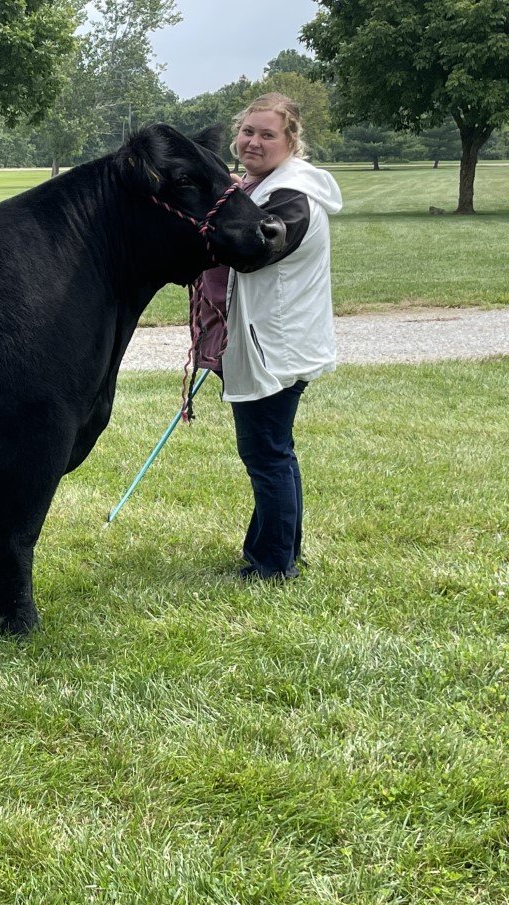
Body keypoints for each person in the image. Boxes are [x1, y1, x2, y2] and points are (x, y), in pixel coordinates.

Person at [192, 93, 343, 580]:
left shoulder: (292, 196)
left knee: (267, 452)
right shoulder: (265, 187)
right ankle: (276, 550)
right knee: (273, 449)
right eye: (248, 132)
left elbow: (255, 247)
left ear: (291, 140)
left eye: (267, 134)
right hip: (275, 339)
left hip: (274, 345)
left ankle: (274, 565)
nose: (253, 142)